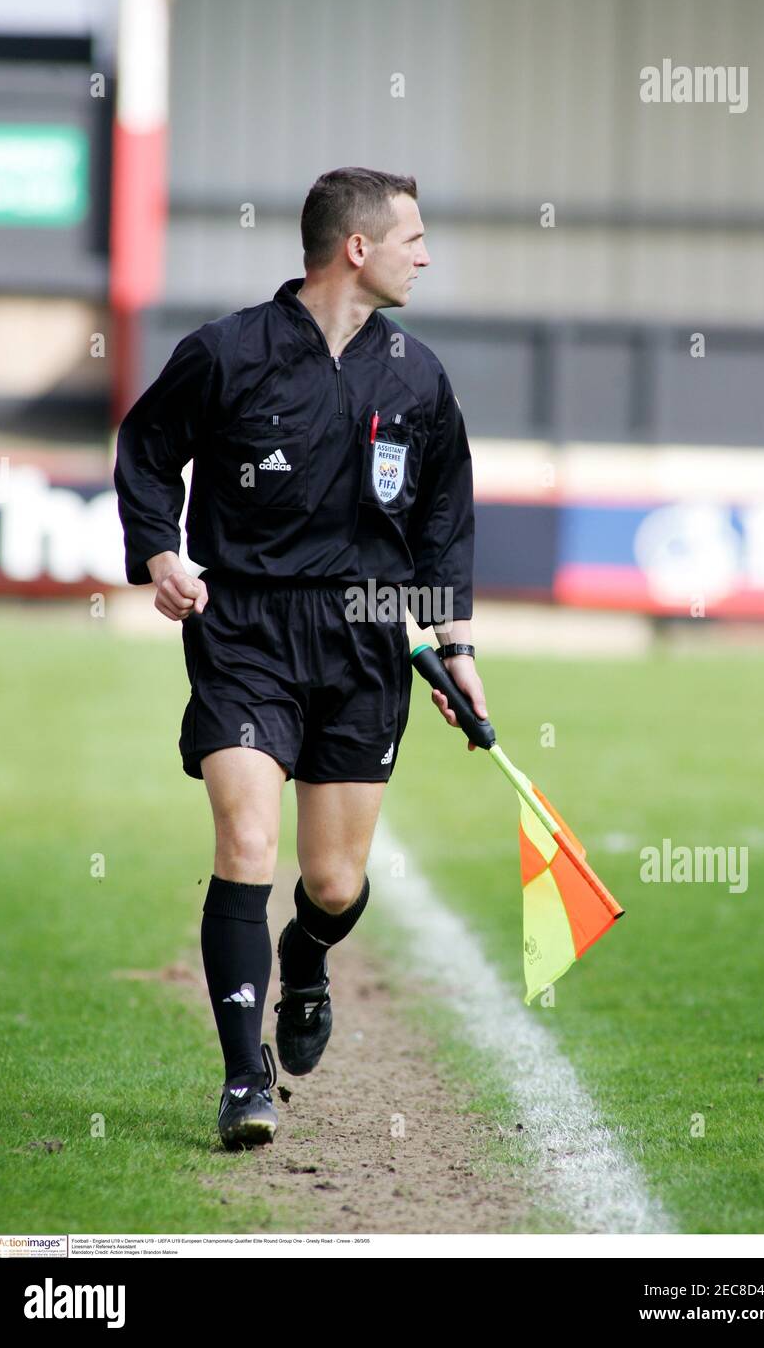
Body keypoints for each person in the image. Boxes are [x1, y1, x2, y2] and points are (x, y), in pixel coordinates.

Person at [113, 166, 488, 1150]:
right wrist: (159, 551)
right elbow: (148, 447)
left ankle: (306, 955)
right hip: (244, 630)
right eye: (412, 236)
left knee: (330, 883)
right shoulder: (227, 353)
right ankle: (245, 1079)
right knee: (244, 843)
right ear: (355, 249)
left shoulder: (419, 374)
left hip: (366, 640)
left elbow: (445, 519)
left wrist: (455, 645)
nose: (426, 254)